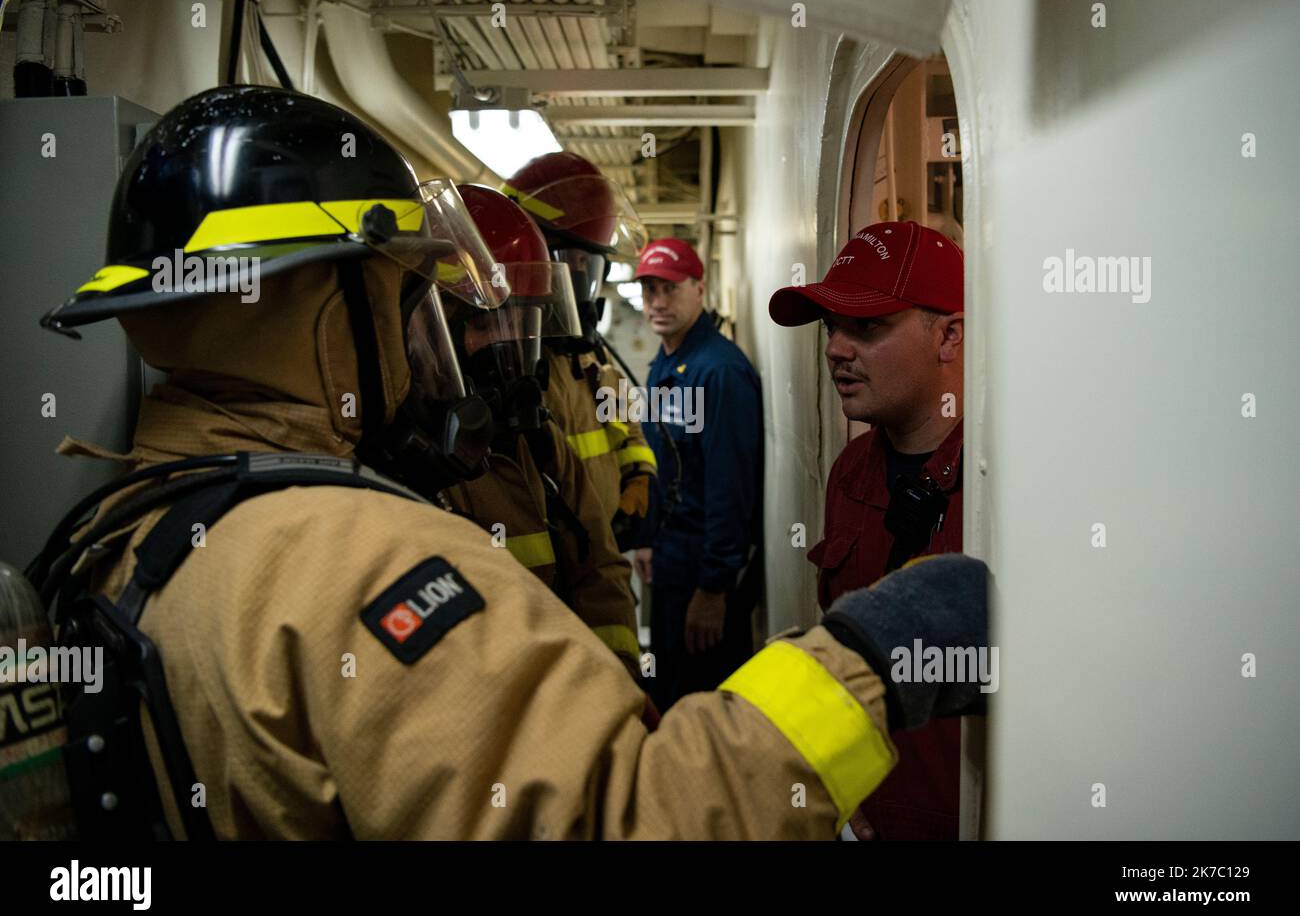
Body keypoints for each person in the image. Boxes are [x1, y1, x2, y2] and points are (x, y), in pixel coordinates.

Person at [30, 87, 988, 840]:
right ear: (332, 315)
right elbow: (641, 824)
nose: (425, 342)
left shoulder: (122, 525)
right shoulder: (352, 558)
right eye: (409, 303)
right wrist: (865, 659)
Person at [768, 220, 966, 840]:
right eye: (832, 327)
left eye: (868, 327)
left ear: (950, 337)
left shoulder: (1003, 486)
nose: (835, 348)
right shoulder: (851, 472)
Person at [440, 185, 641, 675]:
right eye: (485, 323)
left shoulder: (538, 438)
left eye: (519, 322)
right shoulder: (416, 465)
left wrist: (621, 677)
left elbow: (600, 568)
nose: (506, 343)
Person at [502, 152, 658, 548]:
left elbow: (622, 416)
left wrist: (637, 470)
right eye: (565, 260)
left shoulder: (588, 354)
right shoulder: (511, 364)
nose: (576, 276)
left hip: (599, 553)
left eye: (586, 264)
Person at [633, 238, 763, 712]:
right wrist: (646, 538)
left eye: (670, 289)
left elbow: (730, 488)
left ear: (699, 288)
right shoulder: (666, 364)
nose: (658, 303)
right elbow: (658, 461)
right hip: (668, 560)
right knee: (667, 690)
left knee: (699, 705)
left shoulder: (719, 374)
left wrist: (713, 590)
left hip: (700, 570)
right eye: (649, 291)